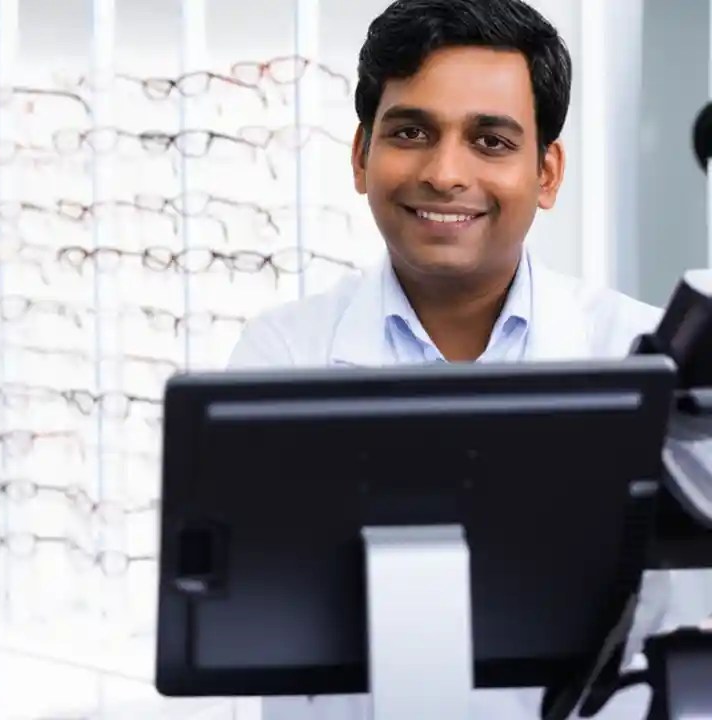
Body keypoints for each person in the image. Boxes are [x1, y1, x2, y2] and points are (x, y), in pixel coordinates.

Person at [230, 0, 683, 717]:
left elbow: (679, 636)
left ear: (547, 173)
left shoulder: (644, 356)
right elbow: (255, 614)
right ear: (361, 156)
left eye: (491, 141)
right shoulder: (281, 355)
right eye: (410, 132)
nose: (444, 173)